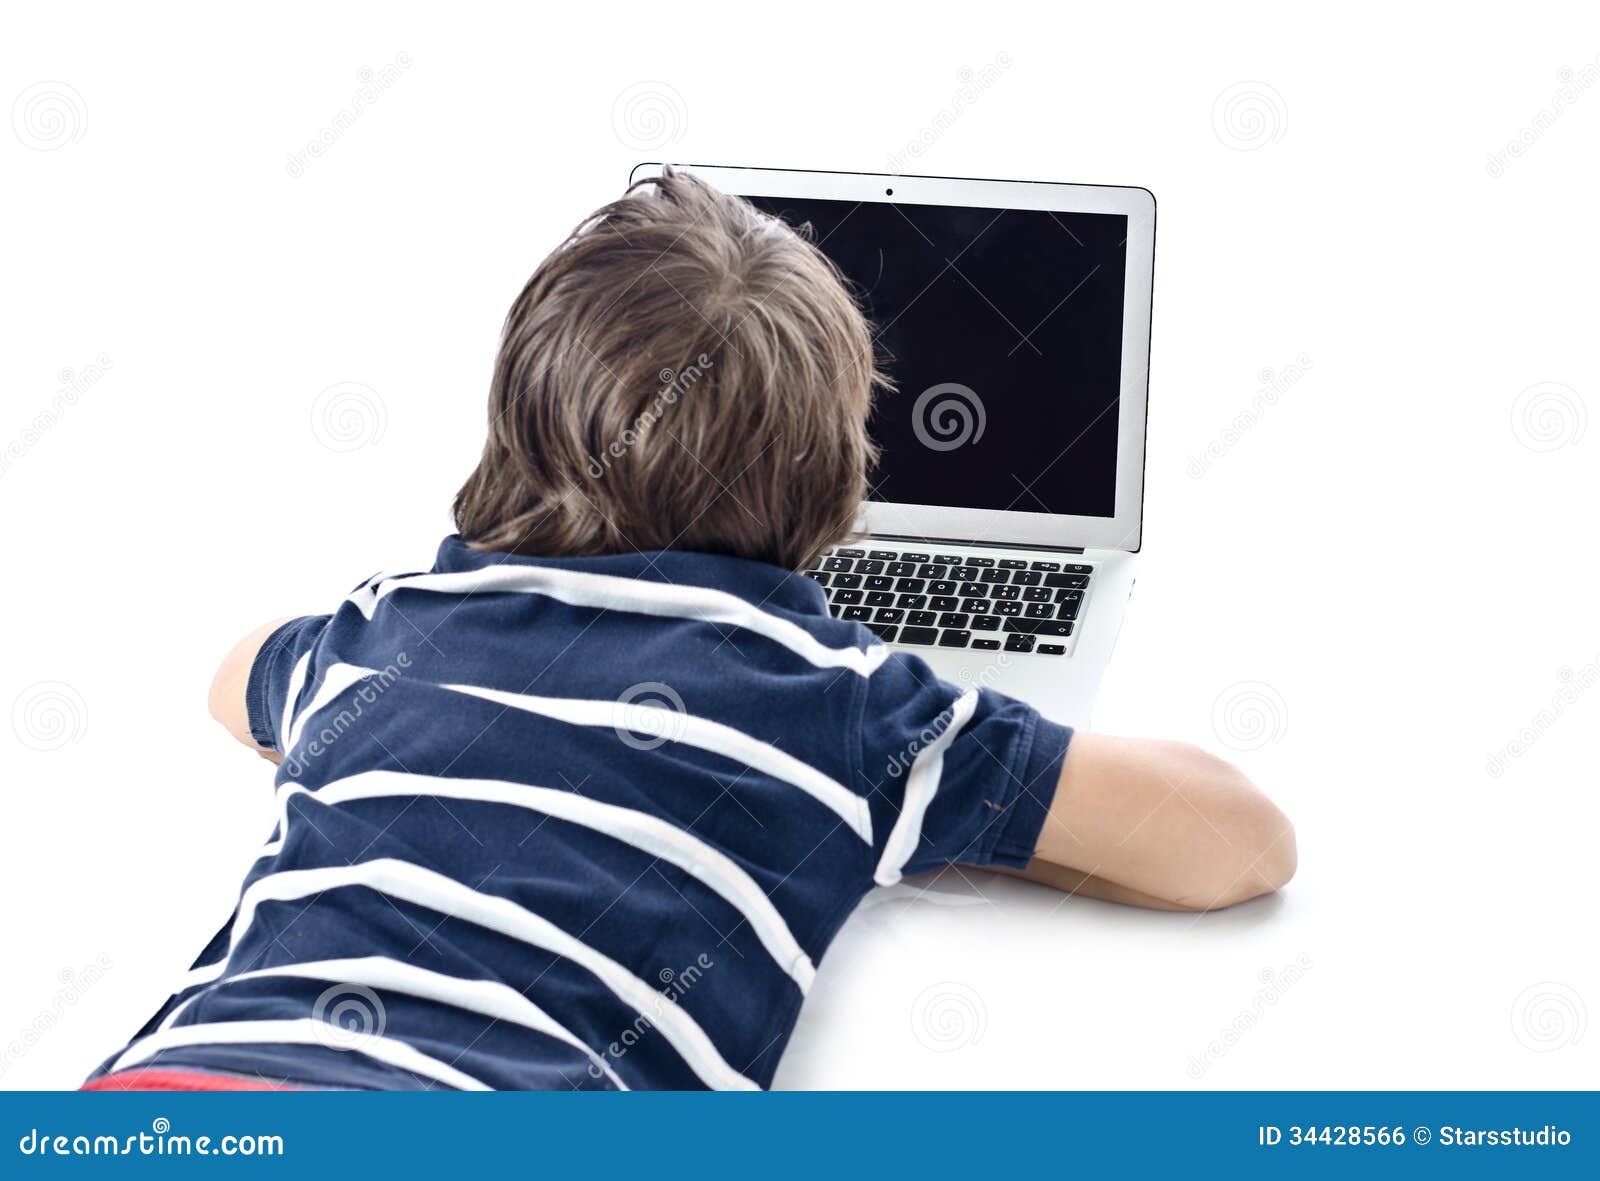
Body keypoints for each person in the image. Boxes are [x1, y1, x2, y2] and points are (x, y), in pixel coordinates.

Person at [85, 170, 1294, 1092]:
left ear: (521, 409)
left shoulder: (385, 629)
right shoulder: (839, 704)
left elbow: (234, 672)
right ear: (828, 478)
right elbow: (1242, 842)